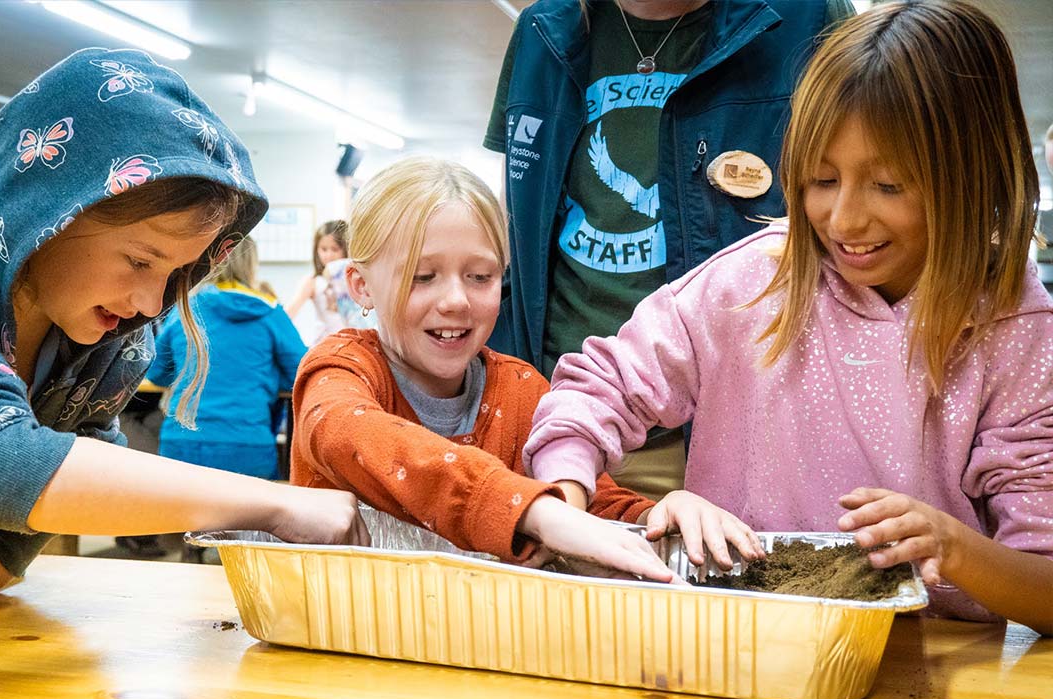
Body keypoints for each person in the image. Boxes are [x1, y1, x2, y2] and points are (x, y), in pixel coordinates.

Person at [524, 0, 1052, 633]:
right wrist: (565, 504)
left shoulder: (1015, 329)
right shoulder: (751, 279)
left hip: (935, 662)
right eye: (822, 181)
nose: (846, 221)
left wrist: (955, 547)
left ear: (972, 173)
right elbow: (596, 387)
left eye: (888, 186)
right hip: (736, 639)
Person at [0, 48, 366, 609]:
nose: (151, 301)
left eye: (176, 274)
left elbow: (4, 554)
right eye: (140, 261)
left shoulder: (105, 349)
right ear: (47, 211)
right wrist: (273, 503)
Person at [292, 156, 761, 579]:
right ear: (360, 285)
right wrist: (533, 512)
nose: (456, 300)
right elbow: (346, 433)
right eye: (422, 276)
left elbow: (590, 508)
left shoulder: (519, 389)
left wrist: (657, 516)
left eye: (480, 277)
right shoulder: (341, 369)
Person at [484, 0, 851, 502]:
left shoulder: (805, 18)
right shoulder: (544, 29)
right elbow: (517, 228)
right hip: (552, 417)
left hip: (720, 442)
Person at [148, 238, 305, 480]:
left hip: (183, 442)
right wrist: (267, 375)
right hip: (246, 442)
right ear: (251, 264)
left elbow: (156, 372)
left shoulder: (186, 308)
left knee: (181, 517)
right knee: (251, 518)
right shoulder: (270, 311)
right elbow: (300, 373)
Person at [285, 220, 349, 343]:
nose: (328, 255)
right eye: (323, 249)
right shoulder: (313, 281)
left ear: (346, 249)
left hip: (352, 344)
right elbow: (289, 313)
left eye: (335, 249)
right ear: (316, 250)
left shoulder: (355, 280)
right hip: (324, 345)